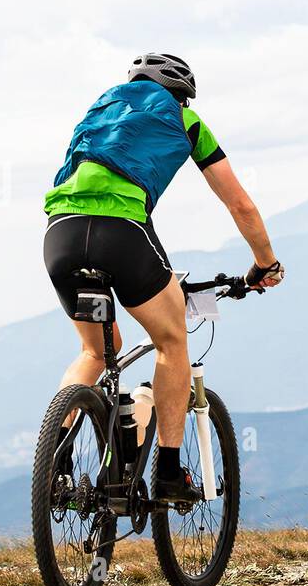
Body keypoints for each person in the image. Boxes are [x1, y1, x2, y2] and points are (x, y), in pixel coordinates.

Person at [43, 53, 284, 498]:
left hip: (62, 233)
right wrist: (265, 264)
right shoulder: (186, 121)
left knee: (95, 351)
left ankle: (53, 468)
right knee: (172, 341)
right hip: (123, 234)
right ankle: (170, 472)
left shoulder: (101, 110)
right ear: (181, 93)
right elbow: (240, 205)